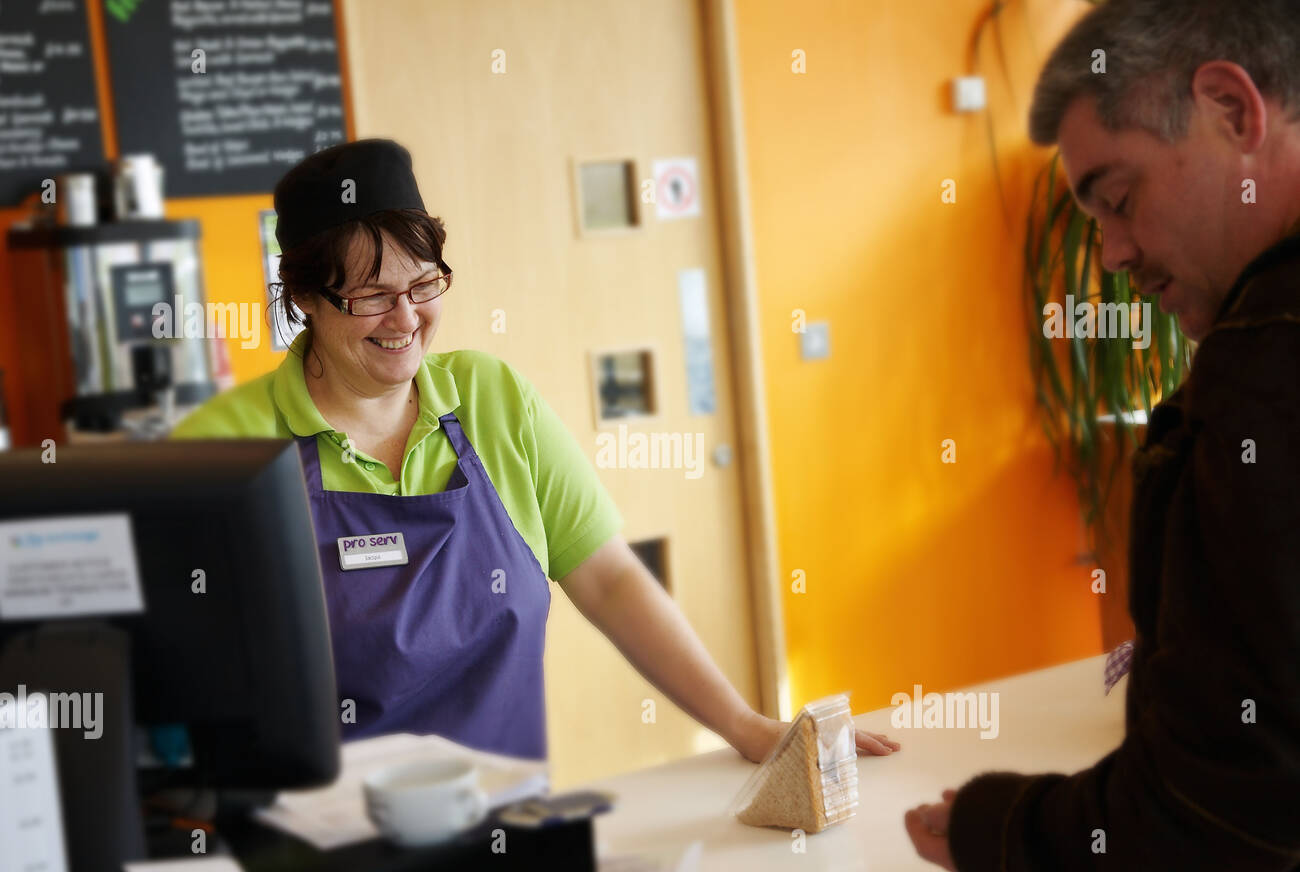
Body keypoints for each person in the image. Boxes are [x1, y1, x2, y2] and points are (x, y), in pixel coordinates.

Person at [172, 138, 901, 764]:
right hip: (317, 857)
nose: (405, 318)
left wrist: (747, 727)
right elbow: (180, 665)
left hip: (501, 831)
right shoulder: (225, 447)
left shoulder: (492, 401)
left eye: (423, 285)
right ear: (303, 296)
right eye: (369, 295)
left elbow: (611, 579)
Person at [906, 0, 1300, 872]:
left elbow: (1222, 815)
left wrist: (994, 829)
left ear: (1233, 111)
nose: (1115, 252)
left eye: (1120, 200)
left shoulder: (1265, 369)